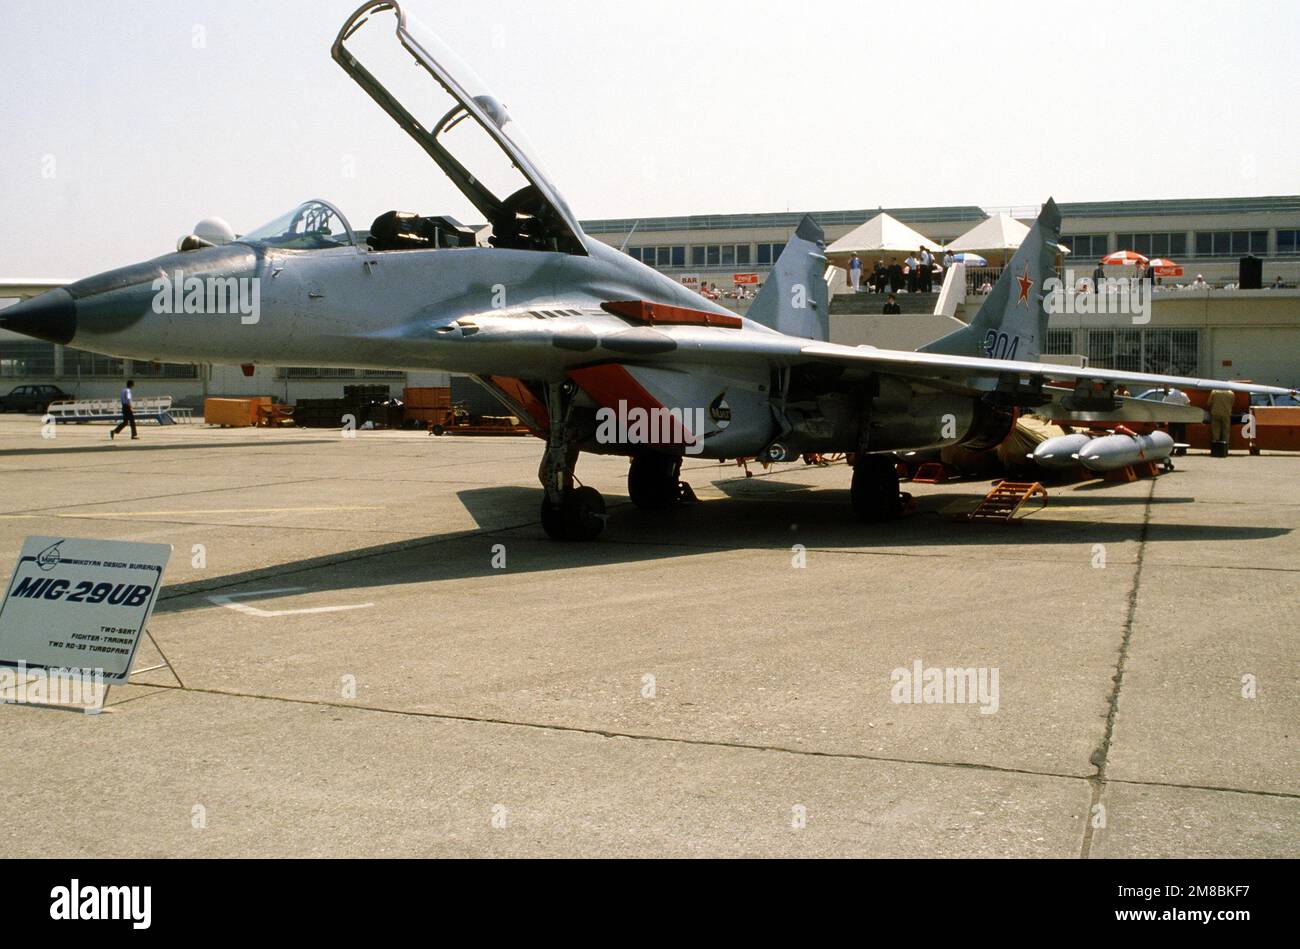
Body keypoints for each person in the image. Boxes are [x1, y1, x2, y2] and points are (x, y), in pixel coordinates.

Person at [1163, 387, 1191, 456]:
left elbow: (1164, 404)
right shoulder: (1183, 395)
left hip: (1171, 417)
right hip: (1181, 418)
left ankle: (1171, 450)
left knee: (1171, 435)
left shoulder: (1168, 395)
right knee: (1181, 435)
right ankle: (1181, 450)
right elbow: (1188, 405)